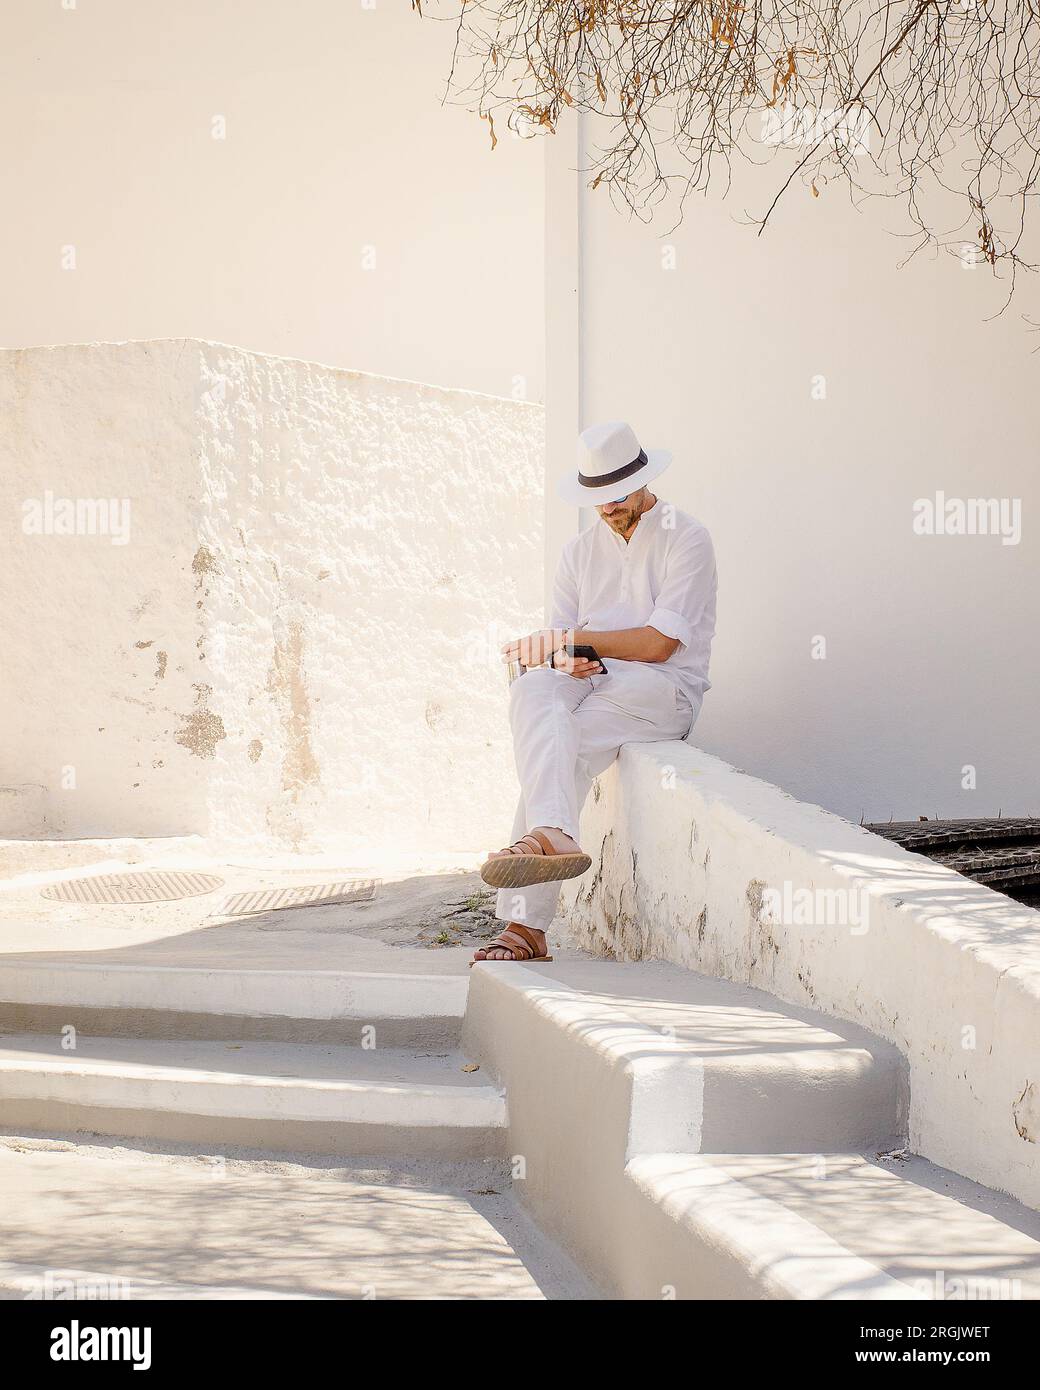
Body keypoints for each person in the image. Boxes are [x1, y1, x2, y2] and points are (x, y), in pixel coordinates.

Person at [473, 420, 717, 964]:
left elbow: (658, 645)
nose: (607, 508)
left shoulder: (687, 537)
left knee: (555, 749)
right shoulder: (578, 553)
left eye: (617, 495)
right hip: (596, 685)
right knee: (535, 688)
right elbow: (562, 645)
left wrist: (576, 642)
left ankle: (525, 924)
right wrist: (563, 656)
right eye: (597, 498)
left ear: (643, 480)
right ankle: (552, 835)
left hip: (663, 692)